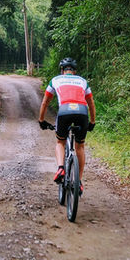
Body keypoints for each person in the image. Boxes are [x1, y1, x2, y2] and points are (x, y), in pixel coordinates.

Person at [38, 57, 95, 191]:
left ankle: (60, 169)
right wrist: (92, 121)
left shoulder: (55, 80)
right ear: (74, 71)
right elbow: (91, 103)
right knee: (80, 146)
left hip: (64, 111)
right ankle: (79, 182)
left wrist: (41, 120)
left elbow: (45, 102)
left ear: (62, 70)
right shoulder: (83, 81)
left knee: (60, 142)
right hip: (82, 112)